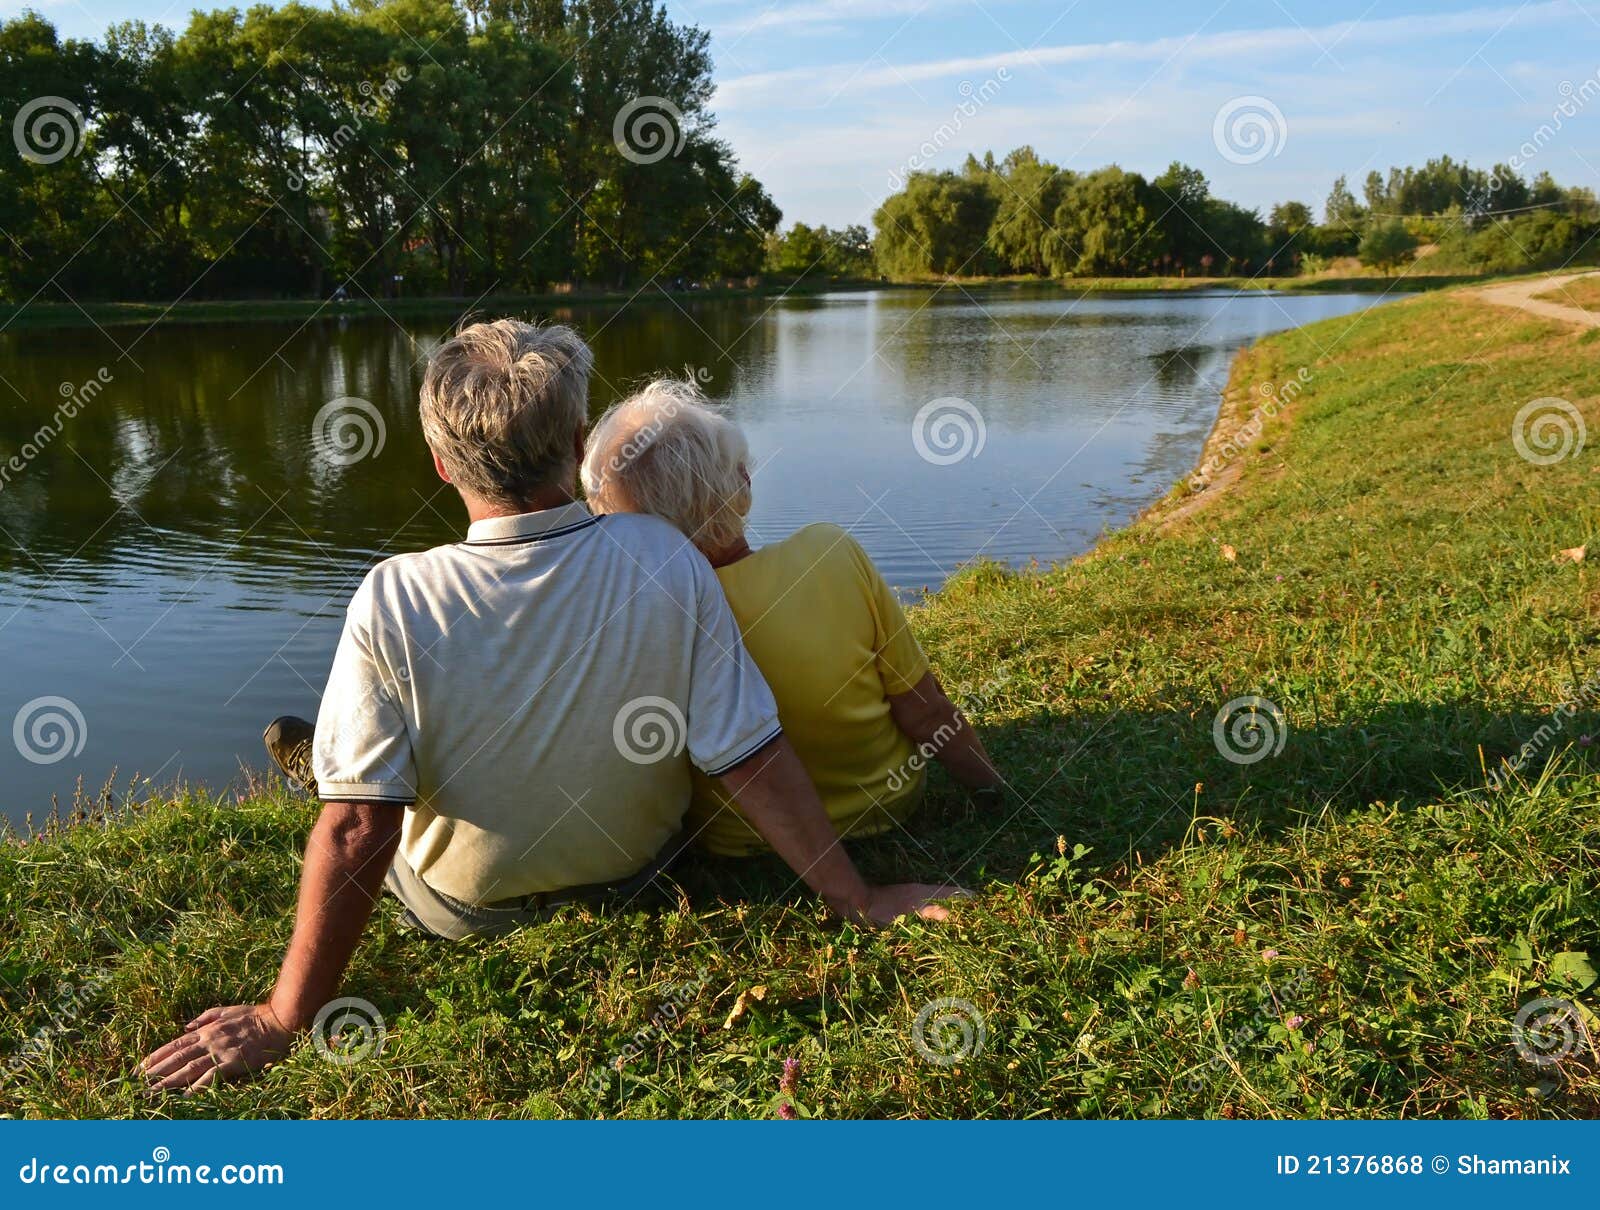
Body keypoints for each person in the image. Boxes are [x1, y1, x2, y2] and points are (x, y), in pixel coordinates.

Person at [140, 321, 960, 1093]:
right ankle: (335, 757)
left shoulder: (394, 596)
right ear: (576, 446)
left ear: (439, 462)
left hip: (465, 913)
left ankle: (333, 761)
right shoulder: (665, 558)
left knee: (356, 798)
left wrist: (286, 1017)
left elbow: (361, 831)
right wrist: (857, 901)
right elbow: (750, 754)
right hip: (638, 876)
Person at [580, 378, 1003, 858]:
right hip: (887, 808)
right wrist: (993, 795)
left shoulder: (644, 618)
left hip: (741, 844)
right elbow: (925, 710)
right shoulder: (830, 555)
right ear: (742, 483)